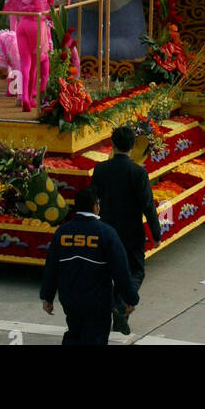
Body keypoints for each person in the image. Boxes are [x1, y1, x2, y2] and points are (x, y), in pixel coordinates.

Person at [40, 187, 139, 346]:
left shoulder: (62, 232)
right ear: (95, 205)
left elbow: (51, 267)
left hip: (70, 299)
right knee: (95, 337)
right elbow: (121, 270)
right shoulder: (106, 233)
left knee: (74, 333)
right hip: (97, 301)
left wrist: (47, 296)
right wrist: (130, 298)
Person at [91, 124, 163, 334]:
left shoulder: (100, 170)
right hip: (131, 232)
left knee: (108, 271)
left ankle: (115, 307)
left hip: (106, 229)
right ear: (133, 146)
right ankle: (121, 305)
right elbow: (148, 206)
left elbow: (92, 200)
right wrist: (156, 234)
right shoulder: (138, 173)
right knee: (136, 271)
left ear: (112, 145)